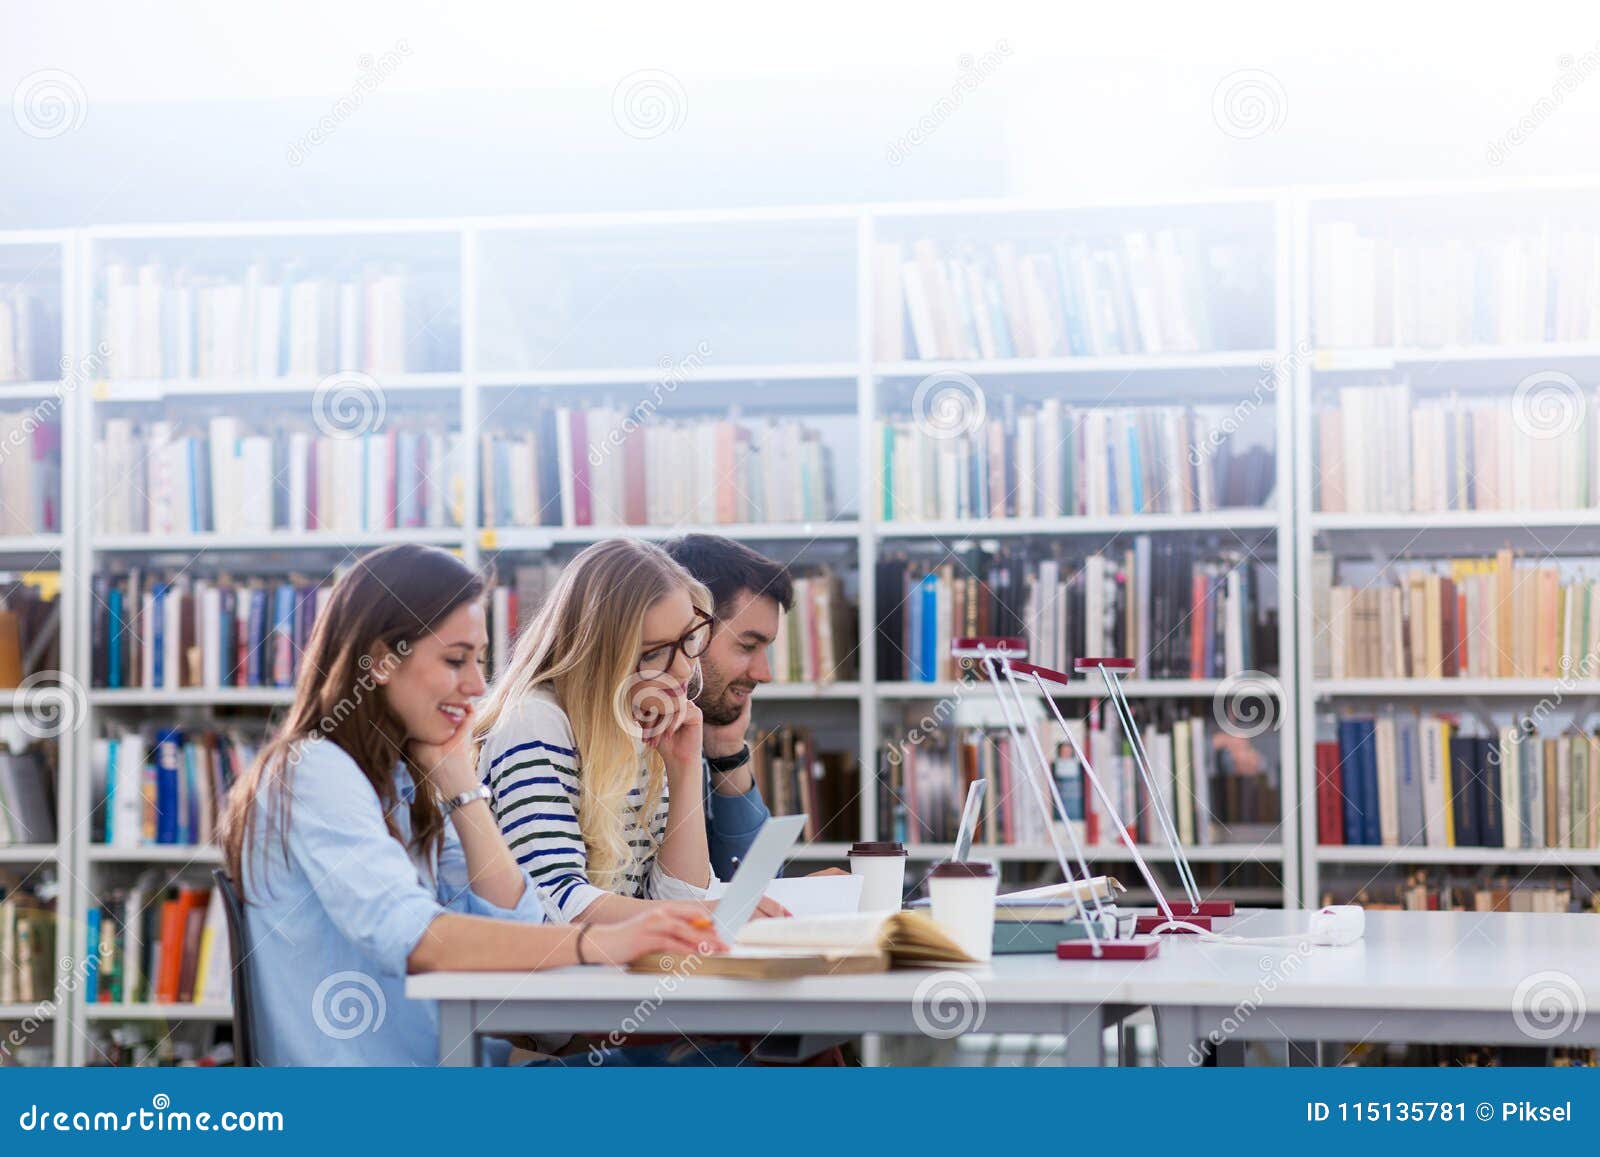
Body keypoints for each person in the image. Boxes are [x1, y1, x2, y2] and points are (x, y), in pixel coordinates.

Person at [218, 543, 725, 1067]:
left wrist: (461, 783)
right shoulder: (314, 770)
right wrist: (609, 942)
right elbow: (418, 940)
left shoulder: (402, 780)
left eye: (479, 661)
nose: (478, 685)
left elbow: (519, 923)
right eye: (455, 660)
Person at [473, 537, 786, 923]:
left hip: (615, 974)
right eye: (654, 653)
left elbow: (678, 898)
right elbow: (552, 904)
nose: (685, 670)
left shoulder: (646, 723)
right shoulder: (535, 722)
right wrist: (711, 914)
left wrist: (684, 768)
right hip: (552, 979)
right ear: (601, 654)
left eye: (690, 639)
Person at [660, 534, 790, 878]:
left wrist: (727, 752)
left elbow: (752, 886)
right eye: (748, 646)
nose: (765, 674)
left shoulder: (694, 728)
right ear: (688, 632)